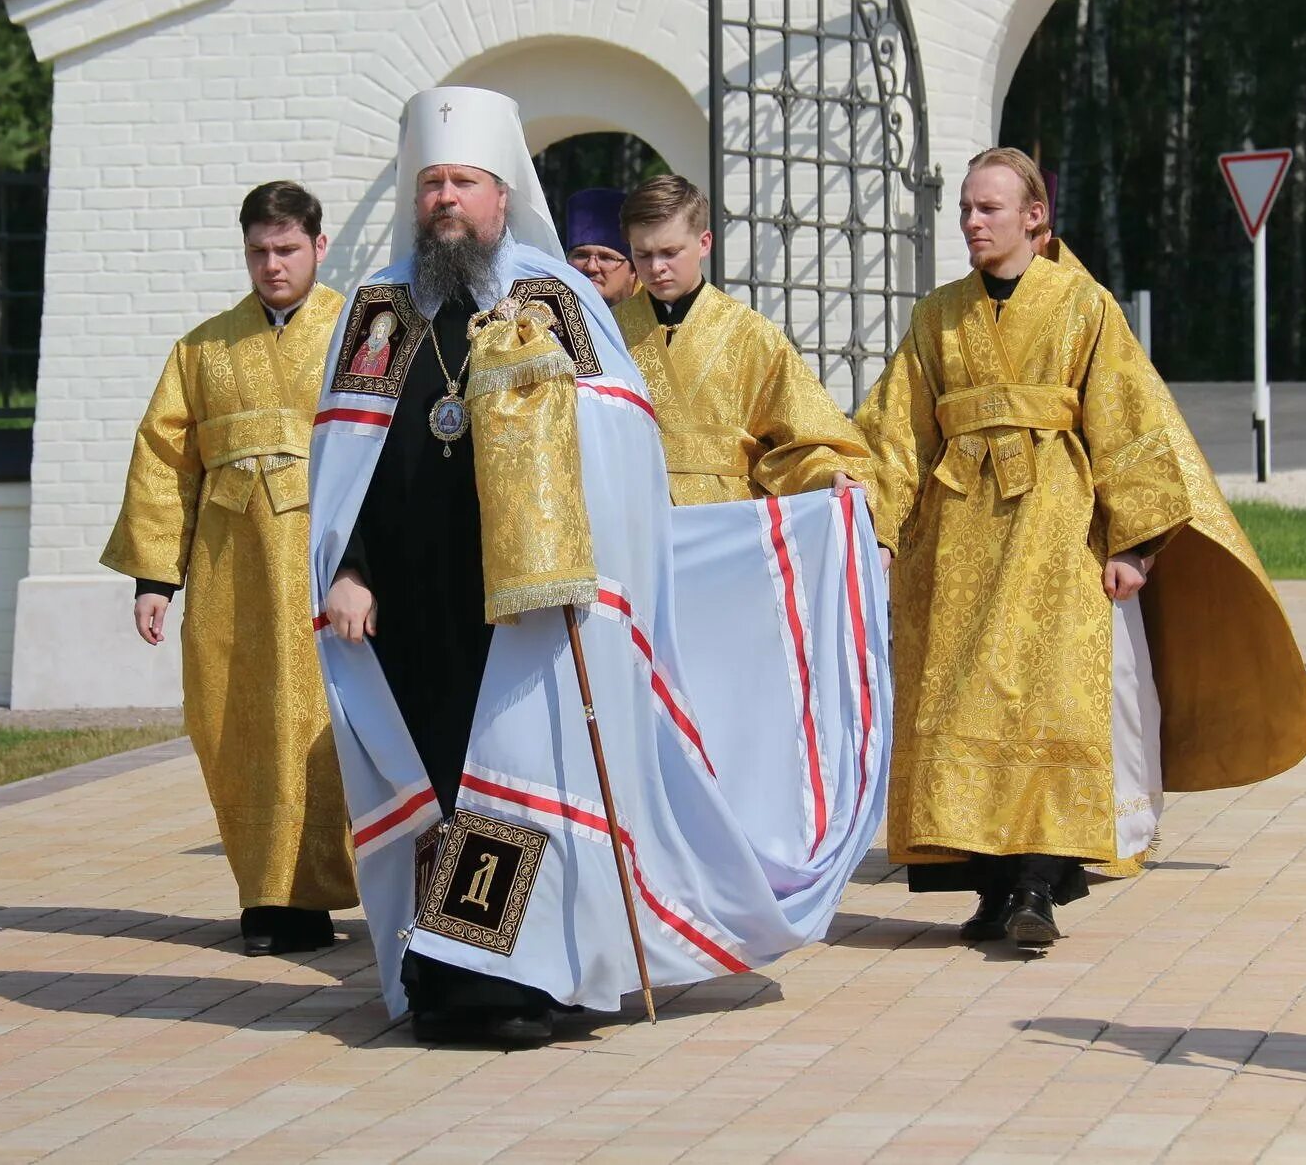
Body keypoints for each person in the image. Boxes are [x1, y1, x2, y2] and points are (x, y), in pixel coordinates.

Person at [308, 86, 891, 1047]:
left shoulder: (554, 297)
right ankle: (445, 975)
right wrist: (349, 570)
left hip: (533, 603)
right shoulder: (377, 310)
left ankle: (514, 983)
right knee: (437, 782)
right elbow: (350, 462)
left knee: (520, 780)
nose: (446, 198)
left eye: (465, 181)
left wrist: (585, 566)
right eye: (432, 182)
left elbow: (620, 445)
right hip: (406, 602)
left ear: (503, 195)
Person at [854, 147, 1306, 948]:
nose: (970, 221)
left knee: (1049, 701)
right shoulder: (936, 315)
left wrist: (1135, 544)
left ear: (1035, 217)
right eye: (964, 207)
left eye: (987, 208)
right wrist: (879, 529)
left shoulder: (1084, 305)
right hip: (956, 544)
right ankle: (991, 888)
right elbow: (895, 430)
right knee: (961, 706)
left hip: (1055, 534)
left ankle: (1039, 886)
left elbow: (1129, 423)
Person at [101, 180, 358, 956]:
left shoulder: (364, 336)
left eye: (286, 250)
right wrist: (156, 578)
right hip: (230, 573)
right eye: (258, 252)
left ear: (319, 246)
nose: (272, 266)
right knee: (233, 723)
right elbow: (165, 462)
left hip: (328, 569)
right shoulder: (202, 348)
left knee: (323, 728)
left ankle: (320, 892)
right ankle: (263, 897)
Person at [612, 176, 871, 506]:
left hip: (727, 521)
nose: (656, 267)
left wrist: (828, 474)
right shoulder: (609, 330)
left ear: (704, 243)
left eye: (670, 252)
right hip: (632, 513)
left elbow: (802, 435)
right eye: (642, 254)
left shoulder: (751, 333)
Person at [563, 187, 637, 306]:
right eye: (581, 256)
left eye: (606, 257)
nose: (591, 267)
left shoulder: (658, 321)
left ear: (634, 269)